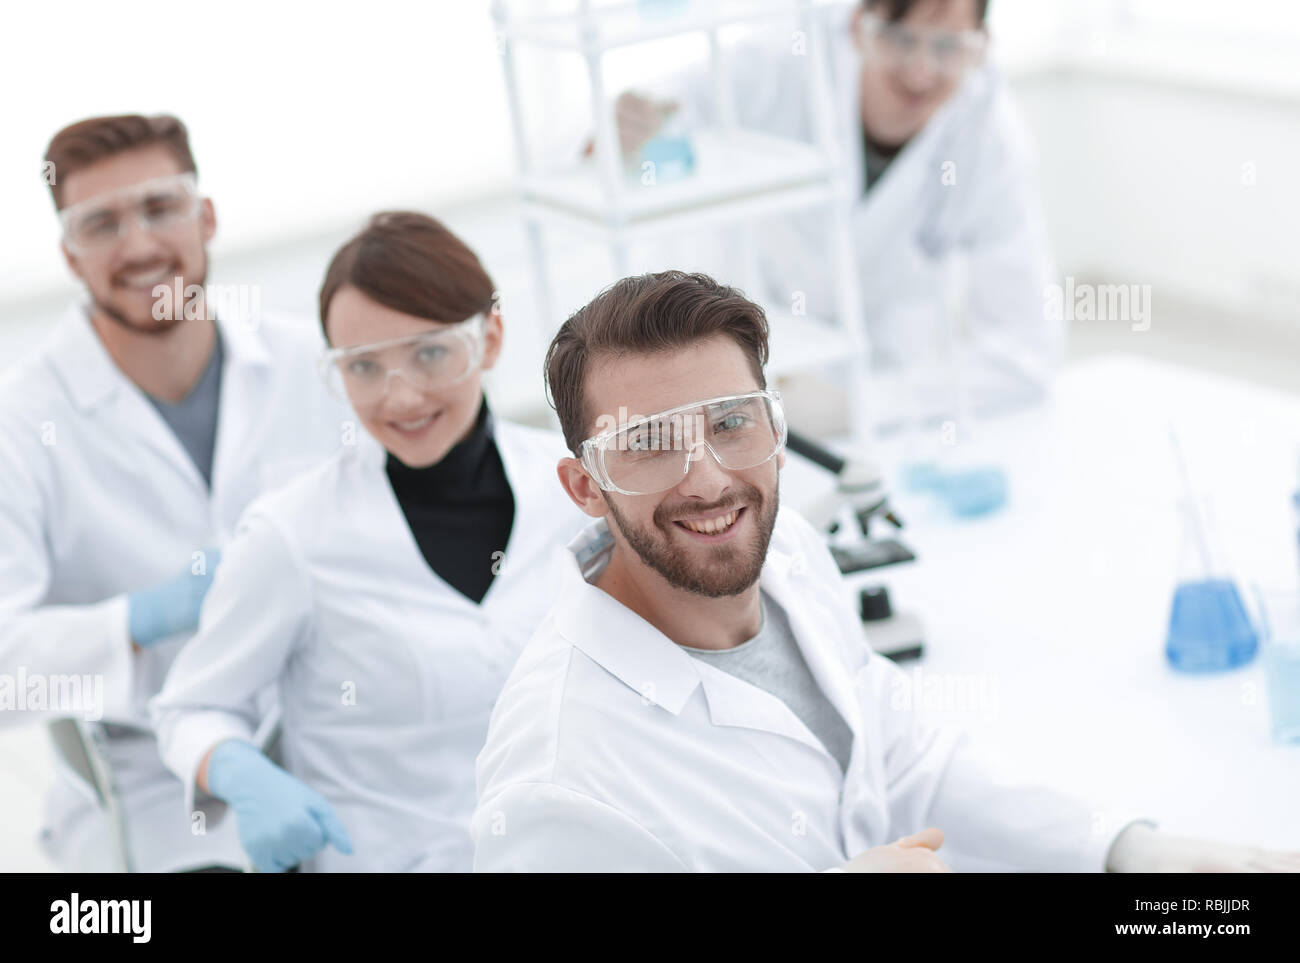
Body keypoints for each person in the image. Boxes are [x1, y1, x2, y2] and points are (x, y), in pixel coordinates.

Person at [471, 270, 1300, 872]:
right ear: (584, 487)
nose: (708, 478)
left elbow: (902, 758)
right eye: (649, 443)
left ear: (779, 430)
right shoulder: (561, 772)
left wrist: (1129, 850)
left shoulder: (790, 552)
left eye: (731, 422)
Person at [150, 212, 590, 872]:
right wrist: (241, 771)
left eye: (430, 352)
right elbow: (190, 708)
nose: (400, 395)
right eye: (363, 366)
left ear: (490, 338)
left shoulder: (579, 494)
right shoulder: (293, 534)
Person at [0, 114, 349, 872]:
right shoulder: (20, 425)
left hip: (337, 747)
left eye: (160, 207)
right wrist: (137, 619)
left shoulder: (313, 364)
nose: (138, 246)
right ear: (69, 256)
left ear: (207, 216)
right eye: (101, 224)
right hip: (149, 796)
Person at [614, 0, 1059, 412]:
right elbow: (667, 104)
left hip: (893, 382)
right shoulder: (787, 60)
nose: (921, 71)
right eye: (899, 38)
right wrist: (629, 124)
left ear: (981, 46)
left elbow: (1025, 350)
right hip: (742, 365)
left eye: (948, 46)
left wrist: (864, 405)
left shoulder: (988, 133)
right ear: (857, 24)